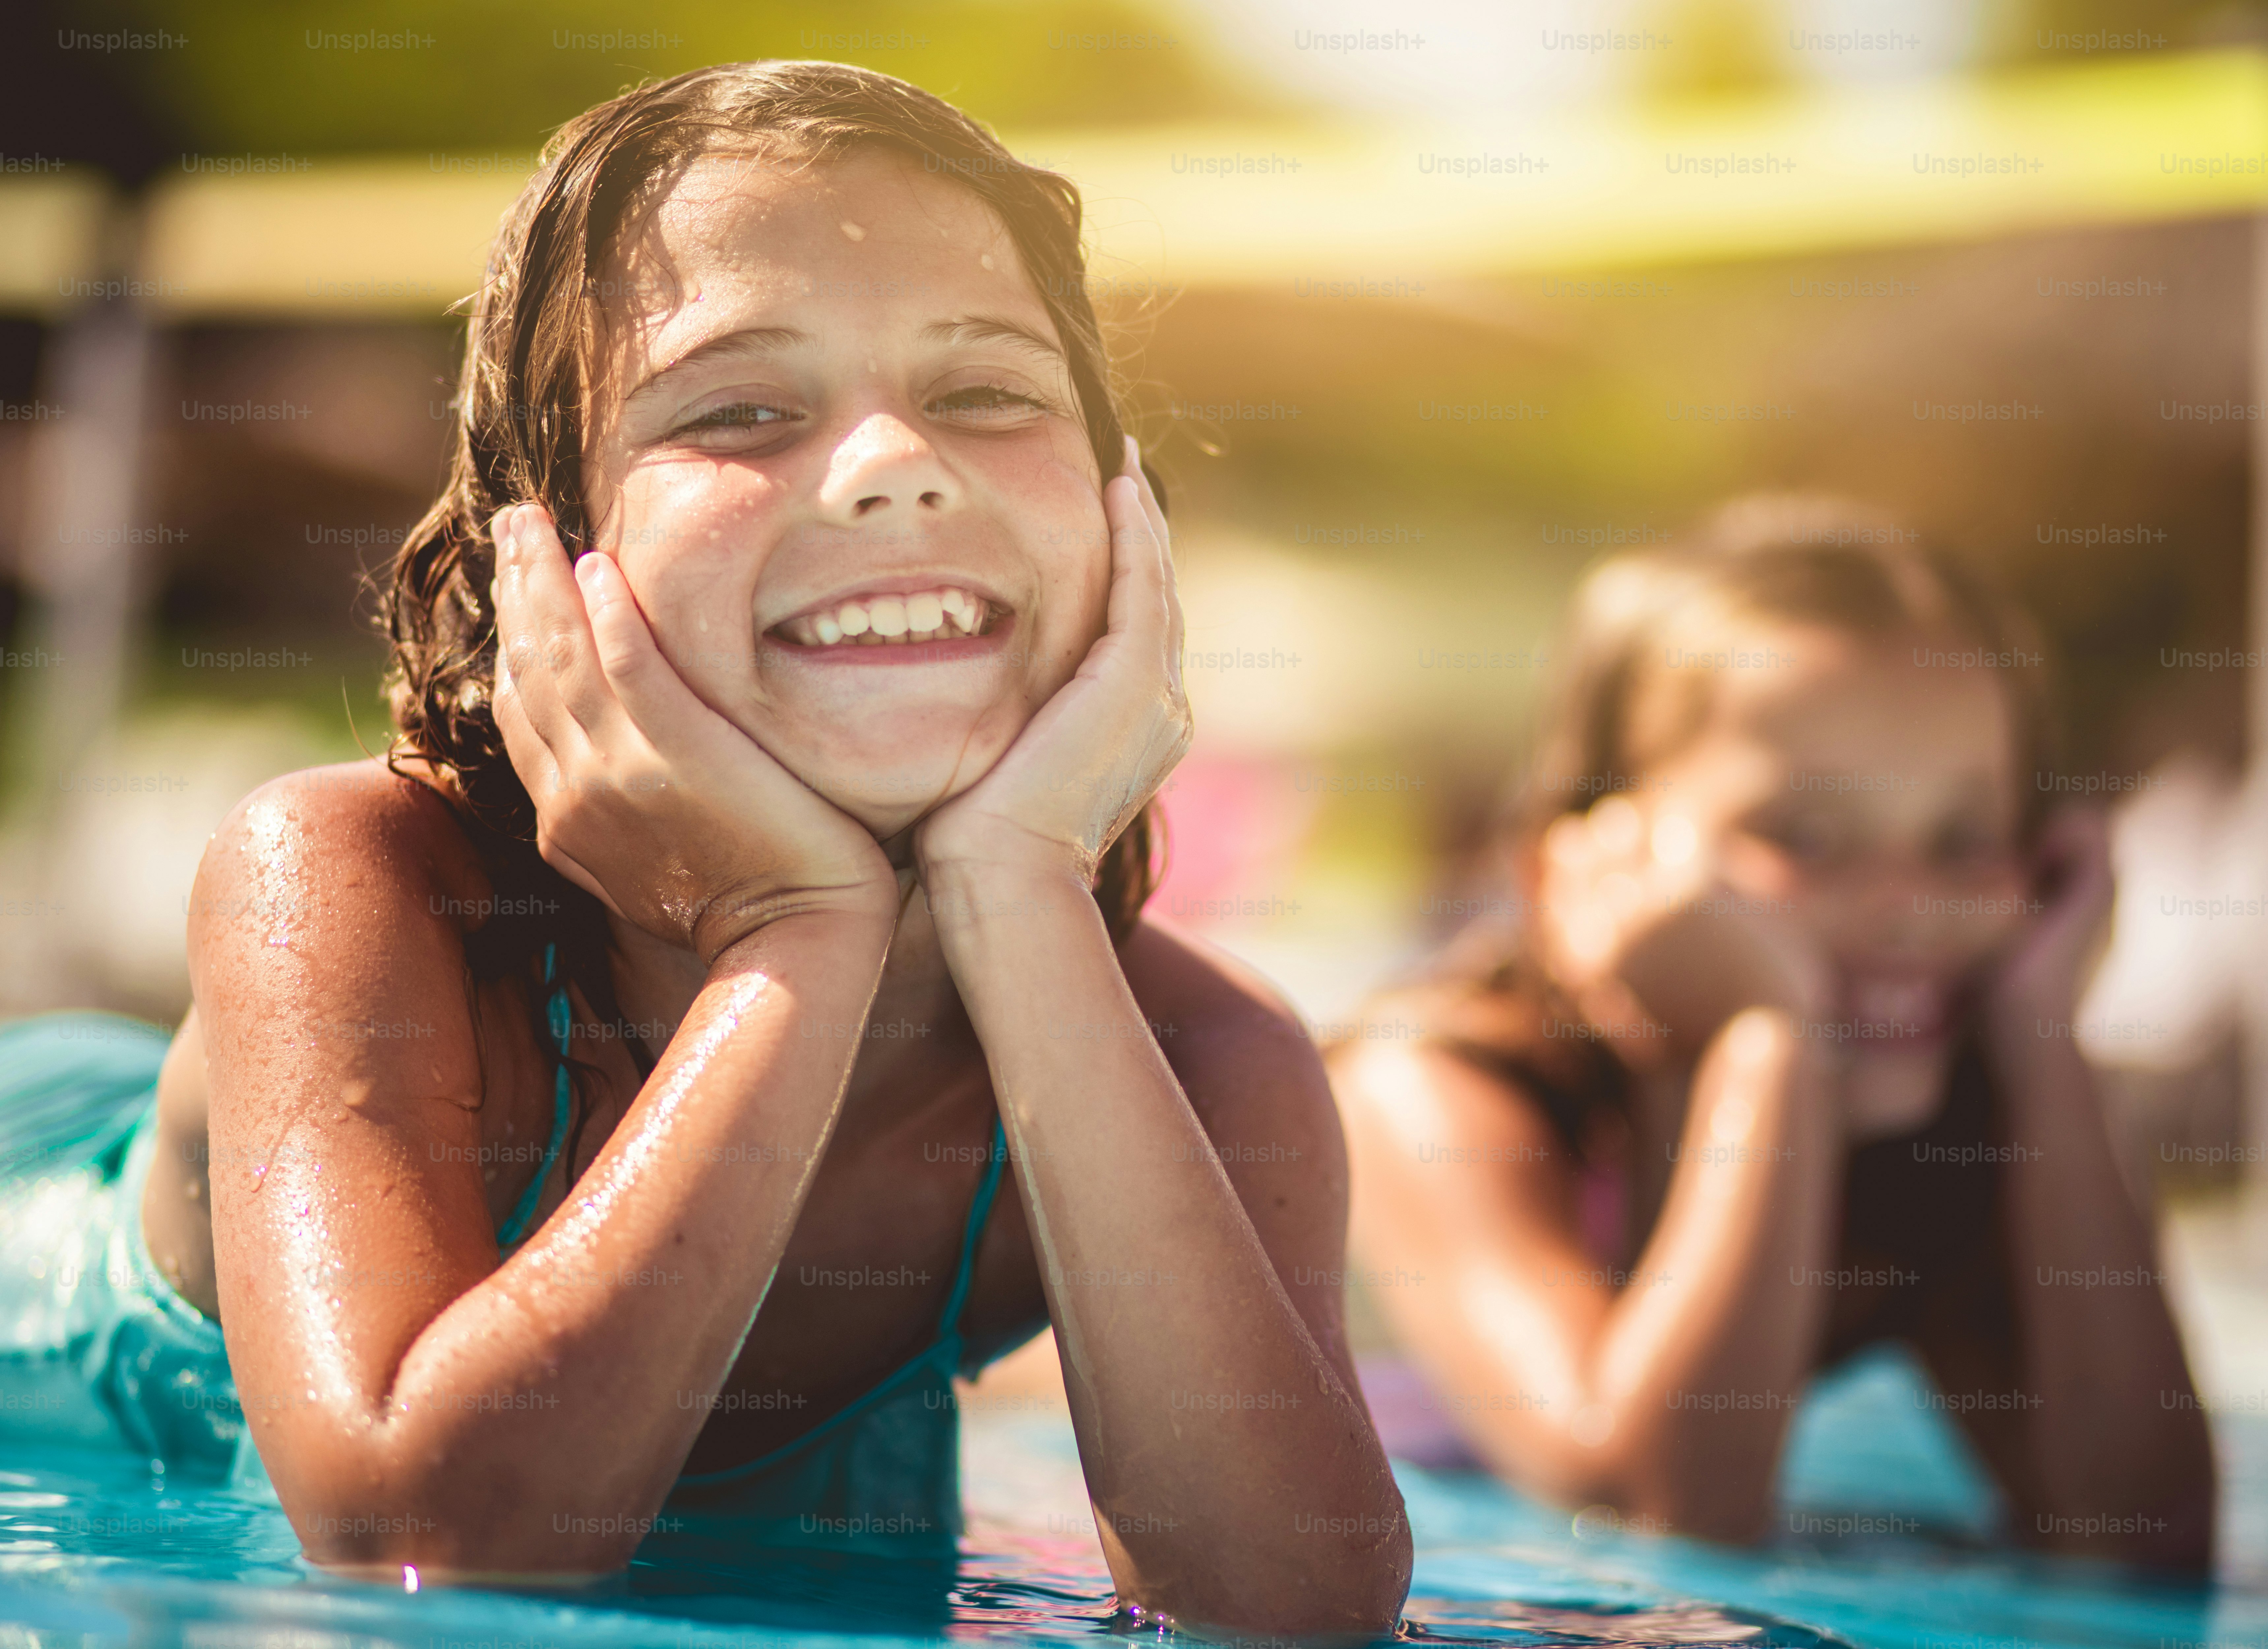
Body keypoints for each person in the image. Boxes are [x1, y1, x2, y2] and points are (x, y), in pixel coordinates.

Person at [0, 61, 1409, 1635]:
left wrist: (1016, 889)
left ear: (1120, 506)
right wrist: (799, 930)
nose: (892, 464)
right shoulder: (345, 878)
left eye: (989, 392)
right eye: (741, 408)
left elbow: (1297, 1606)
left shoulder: (1203, 1052)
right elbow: (428, 1535)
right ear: (547, 556)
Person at [1327, 496, 2214, 1569]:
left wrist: (2046, 1039)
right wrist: (1768, 1036)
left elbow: (2140, 1533)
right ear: (1576, 863)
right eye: (1809, 835)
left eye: (1962, 837)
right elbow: (1660, 1509)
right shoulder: (1436, 1089)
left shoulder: (1953, 1124)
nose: (1905, 904)